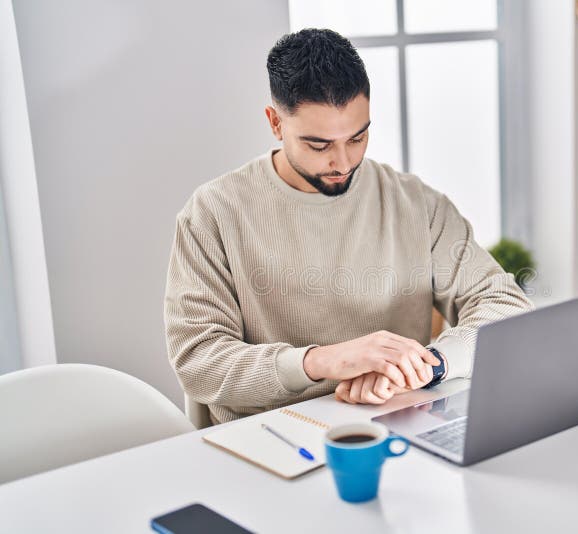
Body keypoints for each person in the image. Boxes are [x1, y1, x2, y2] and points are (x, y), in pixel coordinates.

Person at [164, 28, 533, 425]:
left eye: (358, 137)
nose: (342, 162)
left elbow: (506, 306)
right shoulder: (213, 213)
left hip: (393, 422)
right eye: (319, 146)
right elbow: (198, 358)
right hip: (272, 432)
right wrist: (321, 361)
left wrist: (429, 365)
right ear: (275, 122)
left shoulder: (415, 203)